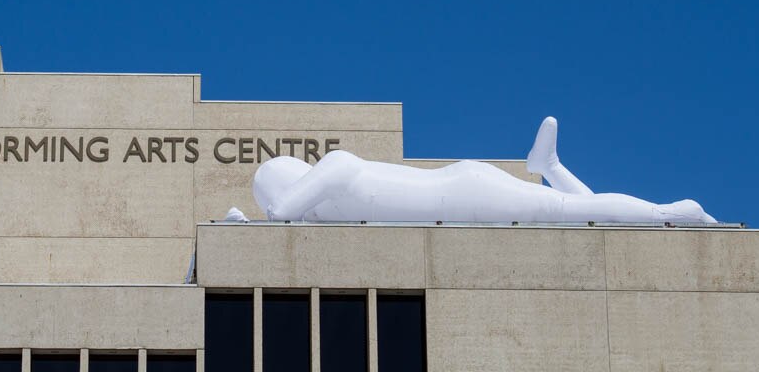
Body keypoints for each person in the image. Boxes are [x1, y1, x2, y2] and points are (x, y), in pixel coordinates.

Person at [252, 116, 717, 224]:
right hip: (463, 196)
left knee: (573, 213)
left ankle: (669, 213)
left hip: (467, 194)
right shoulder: (328, 212)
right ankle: (548, 165)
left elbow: (281, 214)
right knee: (577, 215)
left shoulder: (336, 167)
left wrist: (251, 219)